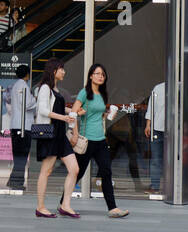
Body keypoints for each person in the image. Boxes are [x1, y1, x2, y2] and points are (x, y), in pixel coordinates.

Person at [71, 64, 129, 218]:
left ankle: (113, 208)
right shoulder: (84, 93)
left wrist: (106, 114)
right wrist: (75, 132)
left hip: (101, 140)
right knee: (78, 173)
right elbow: (72, 113)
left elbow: (97, 115)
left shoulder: (103, 94)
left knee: (106, 172)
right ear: (91, 76)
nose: (100, 76)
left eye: (103, 74)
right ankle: (63, 202)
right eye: (97, 74)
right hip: (86, 140)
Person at [33, 58, 80, 219]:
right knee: (46, 171)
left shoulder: (55, 89)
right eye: (62, 69)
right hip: (50, 134)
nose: (64, 72)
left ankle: (65, 205)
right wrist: (64, 118)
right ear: (54, 71)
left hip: (60, 134)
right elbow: (44, 110)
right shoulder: (45, 88)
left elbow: (59, 107)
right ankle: (40, 207)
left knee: (74, 169)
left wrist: (73, 112)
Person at [5, 63, 36, 190]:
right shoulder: (23, 86)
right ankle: (17, 182)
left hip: (15, 124)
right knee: (22, 155)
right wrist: (36, 99)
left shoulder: (15, 86)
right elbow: (28, 104)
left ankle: (14, 180)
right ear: (27, 74)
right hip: (24, 126)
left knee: (18, 155)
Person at [106, 104, 141, 184]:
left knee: (108, 159)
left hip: (121, 130)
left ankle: (137, 184)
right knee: (132, 158)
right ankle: (137, 184)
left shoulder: (116, 95)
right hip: (120, 130)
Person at [144, 79, 165, 198]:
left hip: (174, 129)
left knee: (172, 160)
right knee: (156, 159)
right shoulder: (158, 88)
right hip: (157, 127)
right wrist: (148, 124)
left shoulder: (180, 88)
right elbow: (151, 107)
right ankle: (155, 186)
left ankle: (172, 186)